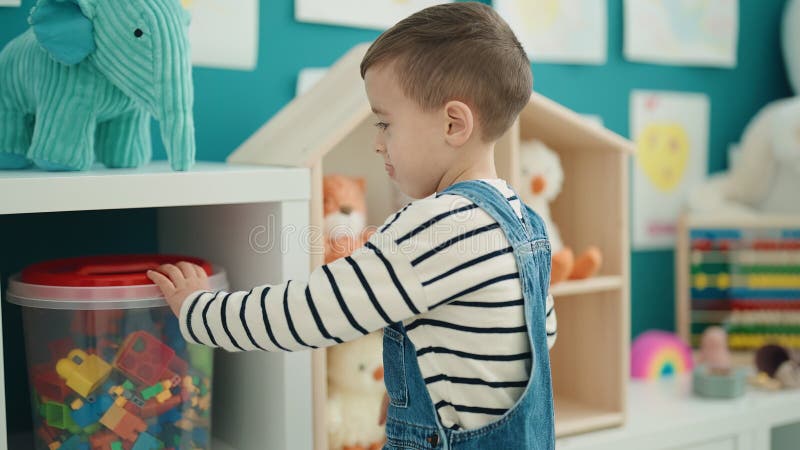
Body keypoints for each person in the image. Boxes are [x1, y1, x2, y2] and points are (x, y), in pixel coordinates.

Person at [148, 3, 556, 448]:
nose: (377, 143)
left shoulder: (438, 226)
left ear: (453, 123)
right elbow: (538, 332)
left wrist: (200, 310)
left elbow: (308, 312)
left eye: (384, 123)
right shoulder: (520, 217)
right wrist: (427, 393)